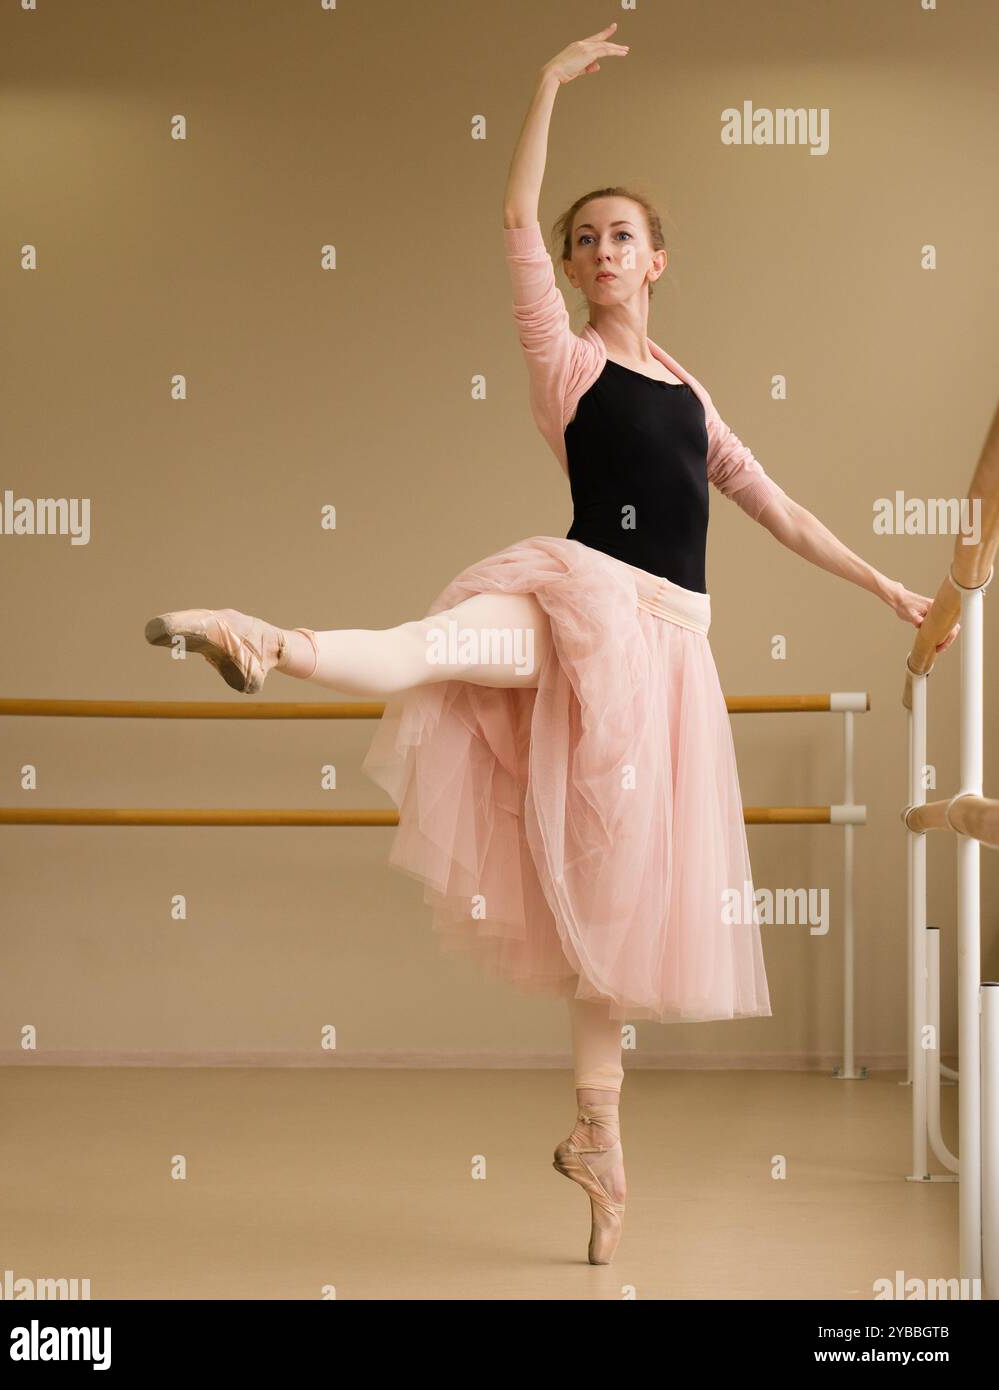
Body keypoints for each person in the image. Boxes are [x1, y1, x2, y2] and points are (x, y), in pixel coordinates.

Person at [143, 22, 958, 1266]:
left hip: (668, 657)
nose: (597, 250)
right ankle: (260, 637)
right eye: (585, 240)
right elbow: (514, 219)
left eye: (619, 235)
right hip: (583, 602)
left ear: (657, 260)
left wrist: (884, 583)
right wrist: (541, 87)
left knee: (609, 911)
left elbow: (775, 506)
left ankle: (598, 1141)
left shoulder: (689, 393)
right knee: (429, 646)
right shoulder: (565, 365)